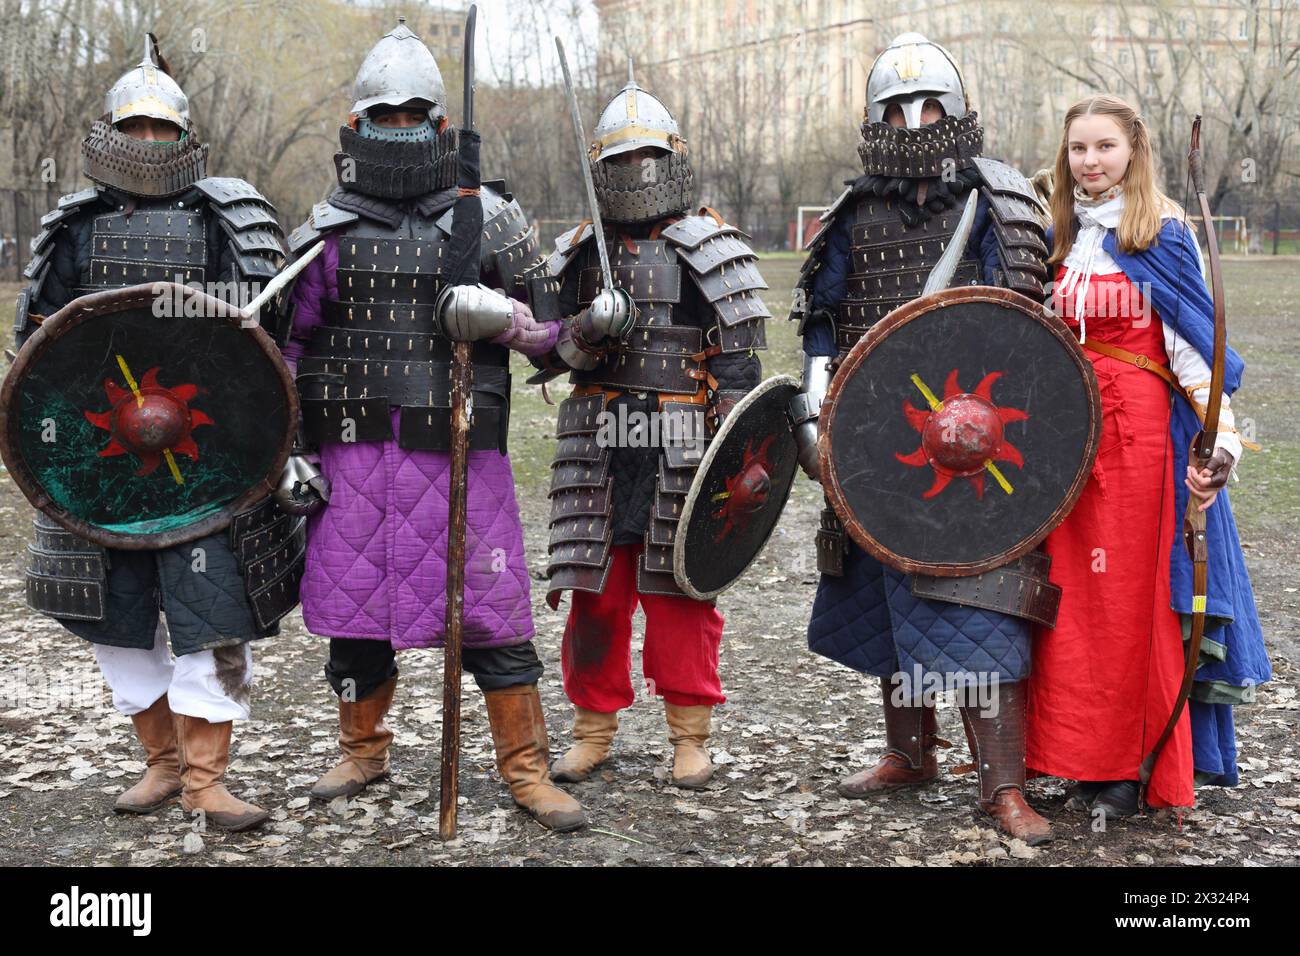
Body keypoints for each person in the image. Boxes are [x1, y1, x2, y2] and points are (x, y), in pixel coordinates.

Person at [280, 19, 584, 831]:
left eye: (416, 115)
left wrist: (502, 318)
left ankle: (525, 768)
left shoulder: (487, 218)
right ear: (359, 126)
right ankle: (361, 750)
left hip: (460, 457)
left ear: (441, 126)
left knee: (491, 613)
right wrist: (291, 452)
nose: (402, 129)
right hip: (351, 460)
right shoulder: (328, 231)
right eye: (388, 116)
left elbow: (557, 337)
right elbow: (285, 348)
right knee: (352, 623)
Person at [15, 36, 290, 831]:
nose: (145, 146)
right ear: (106, 133)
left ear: (184, 137)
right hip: (103, 462)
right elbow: (41, 350)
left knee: (214, 609)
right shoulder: (72, 227)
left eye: (159, 131)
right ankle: (161, 764)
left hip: (209, 458)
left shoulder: (226, 215)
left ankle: (208, 782)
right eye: (131, 130)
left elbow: (260, 342)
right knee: (115, 613)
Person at [793, 33, 1056, 843]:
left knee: (981, 601)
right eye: (896, 109)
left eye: (929, 104)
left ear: (958, 108)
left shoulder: (998, 198)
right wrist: (811, 405)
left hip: (975, 443)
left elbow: (1024, 335)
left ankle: (1002, 786)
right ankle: (910, 751)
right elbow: (824, 322)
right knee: (880, 597)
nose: (914, 121)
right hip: (873, 434)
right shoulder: (852, 212)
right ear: (875, 120)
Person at [1026, 94, 1270, 818]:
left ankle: (1136, 767)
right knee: (1073, 606)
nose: (1090, 162)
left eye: (1104, 146)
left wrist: (1220, 442)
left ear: (1134, 149)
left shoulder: (1159, 234)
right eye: (1078, 149)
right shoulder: (1057, 236)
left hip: (1139, 452)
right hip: (1070, 447)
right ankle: (1079, 756)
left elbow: (1198, 352)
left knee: (1133, 610)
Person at [531, 65, 768, 790]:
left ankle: (689, 733)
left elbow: (737, 362)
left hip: (682, 443)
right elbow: (551, 353)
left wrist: (727, 447)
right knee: (595, 598)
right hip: (599, 444)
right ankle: (593, 729)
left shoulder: (711, 245)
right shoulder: (578, 252)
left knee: (680, 598)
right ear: (600, 167)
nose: (635, 171)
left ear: (671, 158)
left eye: (646, 157)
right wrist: (586, 329)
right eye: (619, 160)